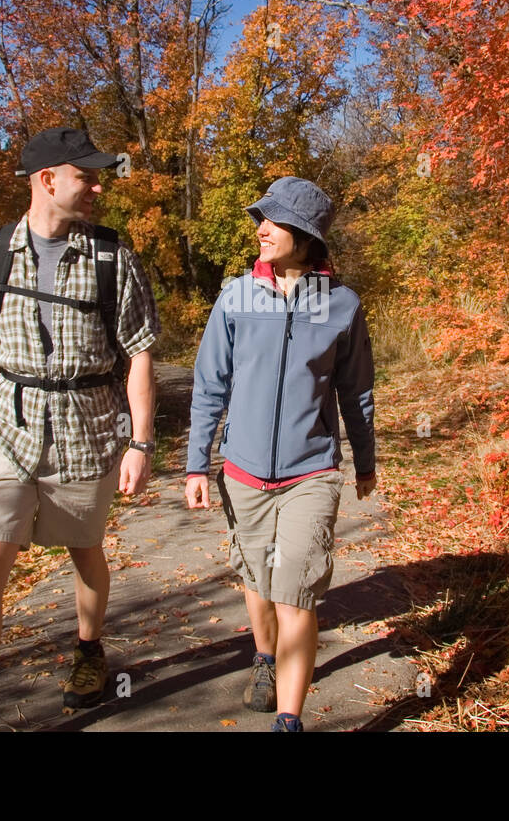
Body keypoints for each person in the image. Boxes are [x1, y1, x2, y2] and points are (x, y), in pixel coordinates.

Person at [0, 127, 159, 731]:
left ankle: (90, 652)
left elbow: (140, 353)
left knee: (84, 550)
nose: (97, 186)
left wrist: (140, 442)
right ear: (47, 180)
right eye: (86, 176)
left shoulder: (114, 259)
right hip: (4, 430)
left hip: (86, 429)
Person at [185, 175, 377, 732]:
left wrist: (363, 460)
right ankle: (264, 659)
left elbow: (356, 390)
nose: (261, 231)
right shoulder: (236, 295)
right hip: (242, 471)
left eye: (274, 223)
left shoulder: (341, 305)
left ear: (307, 236)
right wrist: (198, 462)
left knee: (296, 588)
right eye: (261, 220)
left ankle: (289, 721)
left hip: (311, 472)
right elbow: (209, 383)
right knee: (257, 579)